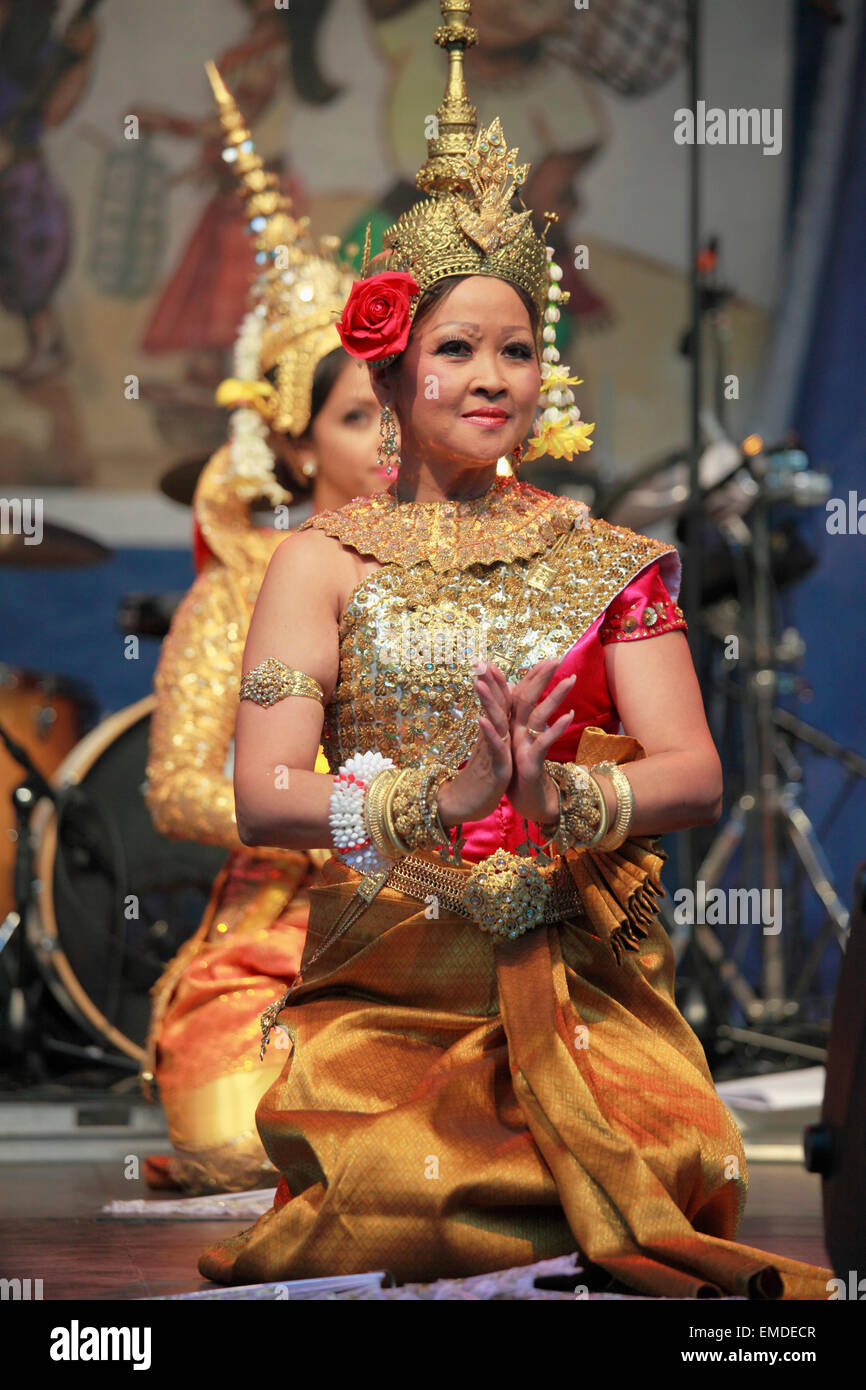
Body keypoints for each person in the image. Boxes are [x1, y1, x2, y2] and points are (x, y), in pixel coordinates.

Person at [198, 6, 832, 1297]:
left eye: (518, 347)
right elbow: (260, 789)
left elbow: (692, 770)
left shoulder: (609, 558)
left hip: (576, 975)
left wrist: (565, 797)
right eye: (457, 347)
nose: (495, 374)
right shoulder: (319, 561)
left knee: (664, 1163)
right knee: (394, 1193)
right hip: (390, 977)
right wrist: (448, 798)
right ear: (389, 369)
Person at [139, 65, 387, 1196]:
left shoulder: (465, 566)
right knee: (254, 1128)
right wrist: (346, 807)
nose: (387, 436)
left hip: (447, 897)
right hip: (277, 922)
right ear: (289, 447)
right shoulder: (242, 585)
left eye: (398, 404)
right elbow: (179, 789)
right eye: (352, 416)